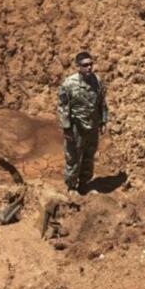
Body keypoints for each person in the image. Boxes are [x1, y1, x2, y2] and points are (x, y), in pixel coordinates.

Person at [57, 51, 109, 193]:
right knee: (73, 157)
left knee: (88, 156)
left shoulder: (97, 81)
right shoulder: (69, 84)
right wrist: (67, 129)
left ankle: (84, 184)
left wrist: (103, 121)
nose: (89, 67)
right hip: (76, 128)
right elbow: (63, 107)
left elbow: (101, 103)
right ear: (78, 66)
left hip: (92, 127)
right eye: (85, 65)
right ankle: (71, 186)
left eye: (91, 64)